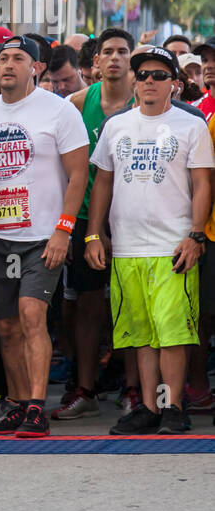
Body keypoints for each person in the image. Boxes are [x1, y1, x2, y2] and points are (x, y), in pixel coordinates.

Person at [0, 35, 89, 438]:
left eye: (18, 58)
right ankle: (15, 403)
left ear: (36, 67)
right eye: (2, 59)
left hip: (43, 235)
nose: (7, 65)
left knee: (32, 315)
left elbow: (79, 174)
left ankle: (36, 405)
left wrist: (64, 231)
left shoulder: (59, 112)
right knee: (6, 326)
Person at [85, 47, 213, 434]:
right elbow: (102, 182)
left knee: (173, 330)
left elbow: (204, 183)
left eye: (159, 75)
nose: (149, 81)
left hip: (172, 245)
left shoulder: (190, 126)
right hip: (127, 246)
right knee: (140, 332)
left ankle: (173, 406)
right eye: (142, 75)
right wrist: (95, 233)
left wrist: (195, 235)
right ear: (135, 82)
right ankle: (148, 407)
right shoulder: (116, 126)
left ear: (175, 83)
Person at [58, 28, 135, 421]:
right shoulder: (75, 103)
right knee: (87, 306)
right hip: (88, 217)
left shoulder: (148, 99)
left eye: (123, 51)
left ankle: (134, 389)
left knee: (132, 306)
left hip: (135, 218)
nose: (116, 58)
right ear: (96, 62)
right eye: (108, 52)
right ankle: (85, 388)